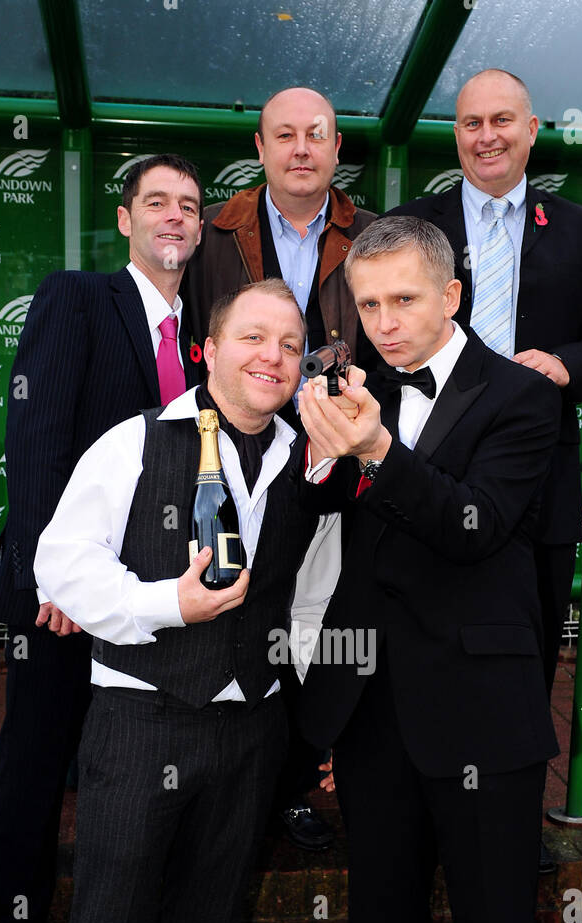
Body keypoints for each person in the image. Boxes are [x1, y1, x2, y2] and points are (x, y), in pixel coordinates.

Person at [6, 280, 320, 923]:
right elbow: (60, 564)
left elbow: (315, 586)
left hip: (249, 725)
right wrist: (164, 606)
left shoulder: (313, 458)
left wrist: (296, 692)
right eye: (252, 336)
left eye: (292, 342)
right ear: (207, 350)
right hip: (142, 719)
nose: (273, 355)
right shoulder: (134, 440)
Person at [286, 218, 561, 923]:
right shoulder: (350, 394)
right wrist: (323, 462)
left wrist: (374, 451)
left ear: (453, 295)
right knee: (380, 917)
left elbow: (475, 527)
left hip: (481, 709)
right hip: (370, 704)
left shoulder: (523, 398)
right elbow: (324, 540)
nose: (385, 322)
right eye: (367, 304)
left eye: (404, 299)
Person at [0, 155, 204, 923]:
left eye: (188, 206)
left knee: (118, 766)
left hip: (140, 602)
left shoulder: (204, 336)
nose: (174, 217)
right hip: (62, 598)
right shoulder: (78, 298)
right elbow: (33, 442)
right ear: (125, 220)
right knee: (36, 759)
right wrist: (52, 580)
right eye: (157, 203)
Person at [390, 69, 582, 868]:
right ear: (454, 135)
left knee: (525, 659)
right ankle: (428, 812)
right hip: (431, 479)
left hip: (537, 485)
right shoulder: (414, 225)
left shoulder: (579, 228)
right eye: (469, 123)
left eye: (501, 121)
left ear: (533, 130)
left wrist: (561, 367)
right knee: (428, 639)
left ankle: (509, 826)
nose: (485, 136)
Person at [185, 86, 377, 851]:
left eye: (316, 136)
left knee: (317, 620)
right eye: (284, 135)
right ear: (259, 149)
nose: (302, 149)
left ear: (337, 149)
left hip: (335, 458)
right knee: (238, 605)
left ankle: (293, 783)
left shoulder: (376, 235)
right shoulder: (211, 236)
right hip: (233, 456)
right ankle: (229, 783)